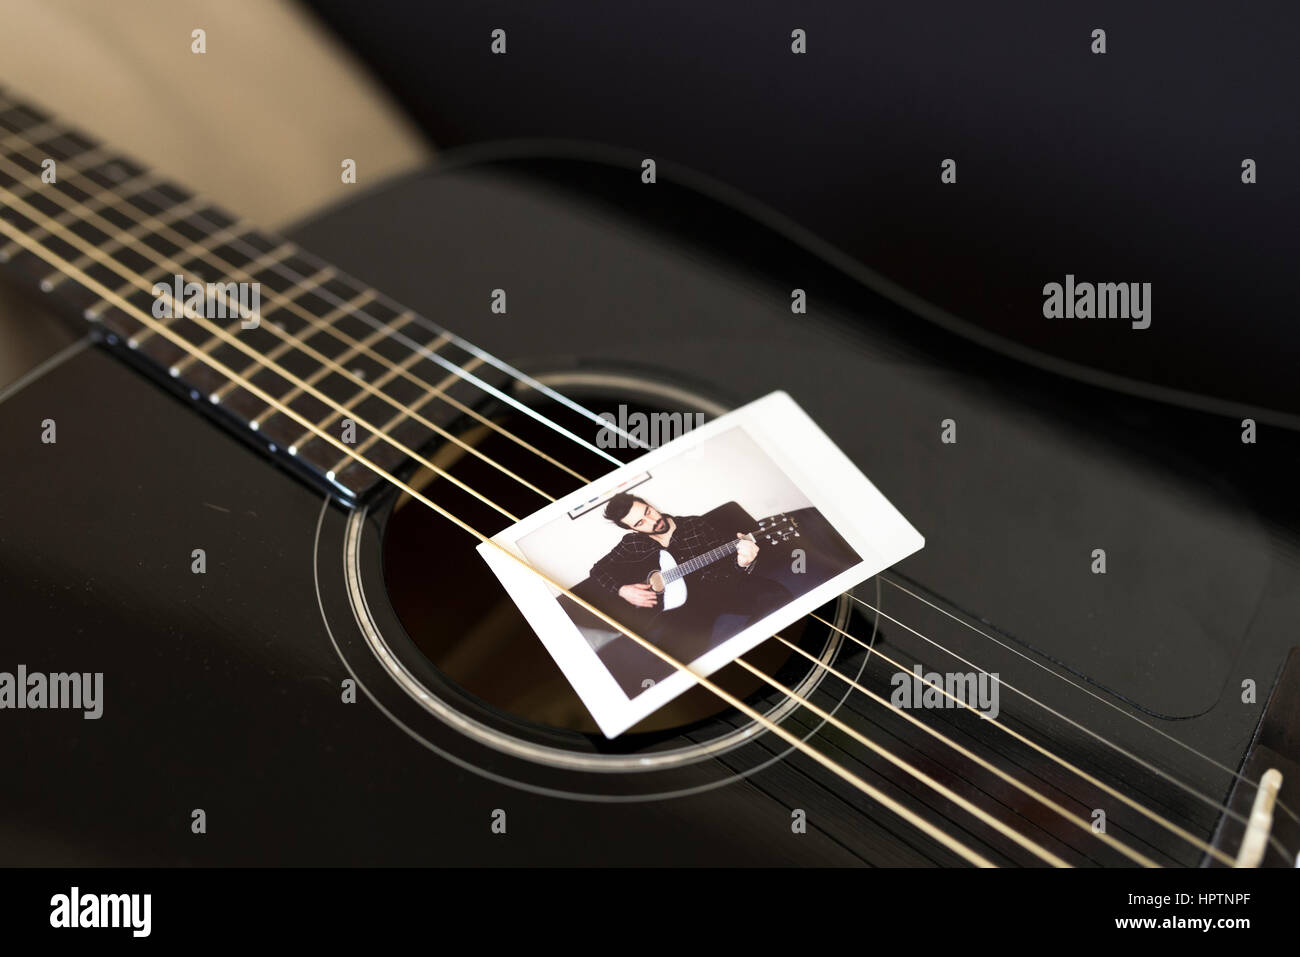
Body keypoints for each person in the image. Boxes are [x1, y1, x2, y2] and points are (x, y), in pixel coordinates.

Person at [588, 493, 792, 656]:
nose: (653, 520)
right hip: (687, 606)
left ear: (650, 505)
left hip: (721, 588)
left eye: (648, 511)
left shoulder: (695, 526)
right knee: (674, 653)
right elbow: (598, 570)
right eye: (641, 523)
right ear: (633, 529)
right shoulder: (632, 543)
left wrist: (742, 562)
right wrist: (623, 590)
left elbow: (727, 571)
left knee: (777, 596)